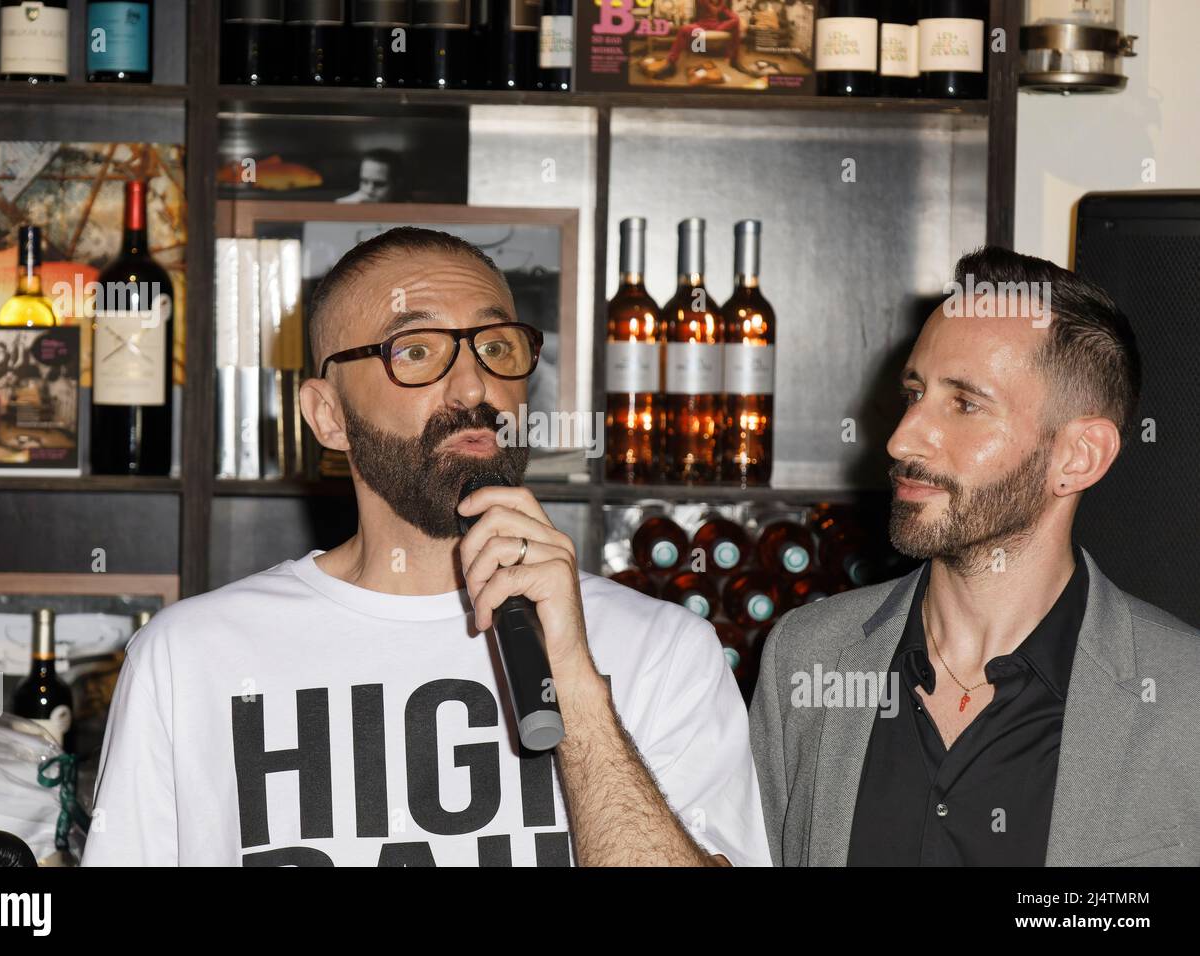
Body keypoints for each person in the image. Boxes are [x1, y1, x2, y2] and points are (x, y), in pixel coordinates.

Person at [82, 227, 772, 867]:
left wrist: (577, 686)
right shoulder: (189, 658)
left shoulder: (663, 651)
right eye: (415, 351)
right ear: (328, 415)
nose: (474, 386)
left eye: (497, 348)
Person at [749, 246, 1200, 866]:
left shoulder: (1183, 697)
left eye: (965, 404)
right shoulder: (807, 657)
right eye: (914, 394)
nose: (903, 438)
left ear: (1079, 457)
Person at [335, 149, 402, 204]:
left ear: (397, 184)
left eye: (379, 184)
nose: (369, 191)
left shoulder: (409, 208)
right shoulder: (345, 204)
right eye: (364, 181)